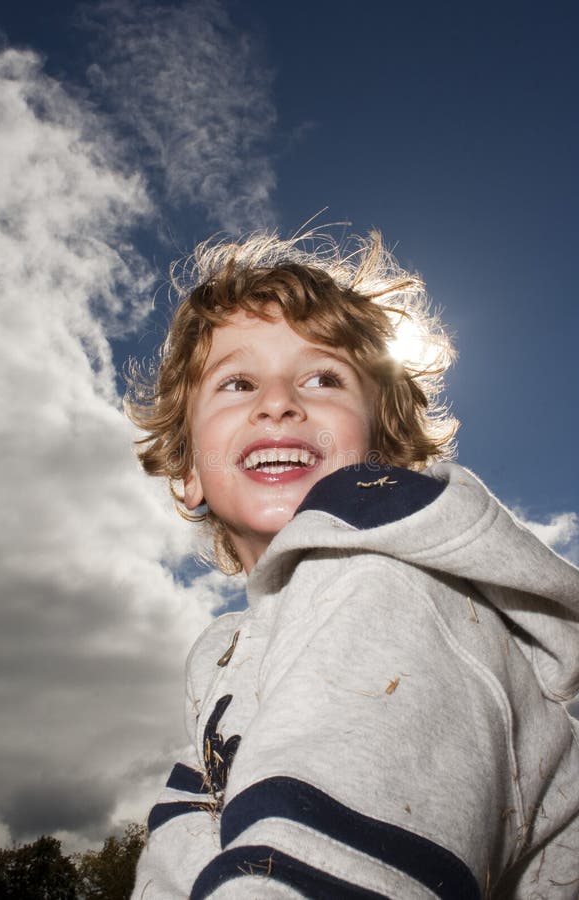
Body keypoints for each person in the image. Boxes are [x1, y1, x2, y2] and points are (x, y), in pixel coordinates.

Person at [127, 229, 579, 899]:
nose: (277, 401)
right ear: (189, 472)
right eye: (239, 382)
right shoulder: (220, 656)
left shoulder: (391, 585)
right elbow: (179, 853)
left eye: (323, 378)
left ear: (384, 456)